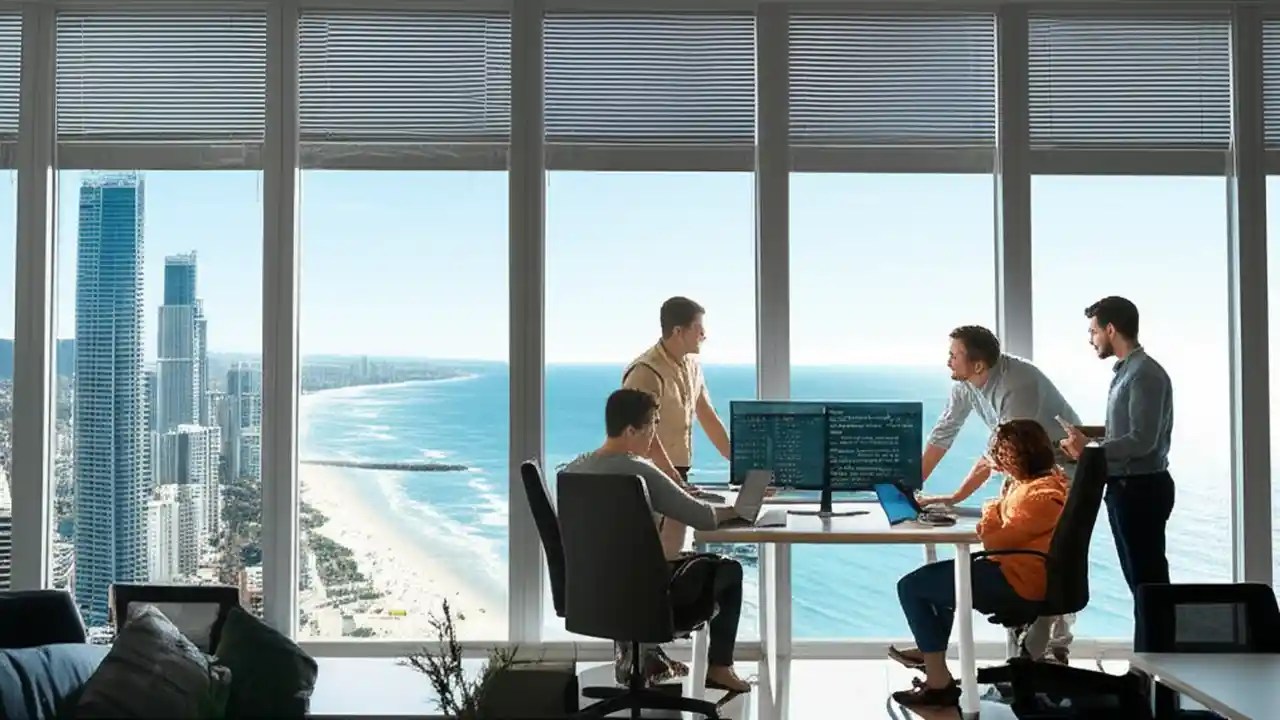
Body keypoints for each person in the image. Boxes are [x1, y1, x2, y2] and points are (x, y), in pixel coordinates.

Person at [561, 388, 751, 694]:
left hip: (590, 596)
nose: (654, 436)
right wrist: (736, 510)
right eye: (652, 427)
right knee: (729, 570)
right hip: (648, 600)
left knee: (662, 563)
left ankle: (642, 658)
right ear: (631, 430)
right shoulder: (640, 471)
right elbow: (701, 517)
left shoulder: (573, 470)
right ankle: (719, 669)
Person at [917, 324, 1080, 662]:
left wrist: (954, 498)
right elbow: (944, 432)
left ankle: (1054, 649)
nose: (948, 361)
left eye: (954, 355)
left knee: (1055, 559)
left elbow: (1002, 452)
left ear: (978, 365)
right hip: (1024, 474)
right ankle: (1028, 649)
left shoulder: (1017, 384)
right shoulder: (965, 385)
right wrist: (910, 485)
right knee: (1020, 555)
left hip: (1059, 473)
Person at [889, 420, 1069, 709]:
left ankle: (937, 678)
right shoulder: (1035, 485)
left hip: (1017, 580)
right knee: (936, 587)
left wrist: (990, 509)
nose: (994, 457)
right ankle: (932, 658)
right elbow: (1003, 532)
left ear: (1012, 455)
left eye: (999, 451)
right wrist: (997, 510)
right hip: (1014, 569)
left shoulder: (1042, 495)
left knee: (912, 587)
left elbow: (996, 539)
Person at [1060, 296, 1174, 601]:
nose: (1090, 339)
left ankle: (1159, 647)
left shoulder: (1144, 374)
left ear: (1110, 329)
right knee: (1140, 581)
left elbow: (1142, 440)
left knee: (1147, 582)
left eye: (1093, 331)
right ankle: (1152, 646)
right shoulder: (1127, 371)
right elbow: (1125, 432)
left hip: (1141, 489)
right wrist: (1087, 437)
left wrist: (1090, 450)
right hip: (1126, 487)